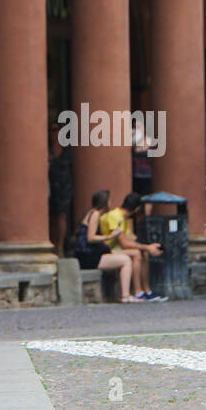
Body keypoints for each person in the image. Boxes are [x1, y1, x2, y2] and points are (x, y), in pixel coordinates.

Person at [74, 189, 139, 302]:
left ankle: (124, 293)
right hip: (90, 256)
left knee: (128, 255)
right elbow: (91, 237)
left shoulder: (90, 212)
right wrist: (110, 236)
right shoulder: (95, 214)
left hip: (91, 253)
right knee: (125, 260)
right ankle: (125, 295)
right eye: (109, 201)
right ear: (104, 203)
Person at [99, 192, 165, 301]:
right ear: (137, 209)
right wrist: (146, 247)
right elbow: (124, 243)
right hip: (107, 250)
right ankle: (138, 291)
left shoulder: (123, 218)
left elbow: (130, 238)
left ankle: (147, 290)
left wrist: (148, 247)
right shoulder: (115, 216)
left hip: (116, 249)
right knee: (137, 253)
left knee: (143, 251)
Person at [48, 123, 73, 258]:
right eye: (52, 130)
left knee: (61, 217)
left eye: (56, 130)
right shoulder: (47, 151)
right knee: (52, 218)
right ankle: (52, 243)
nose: (54, 133)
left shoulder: (67, 151)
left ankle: (60, 246)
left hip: (64, 187)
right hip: (50, 186)